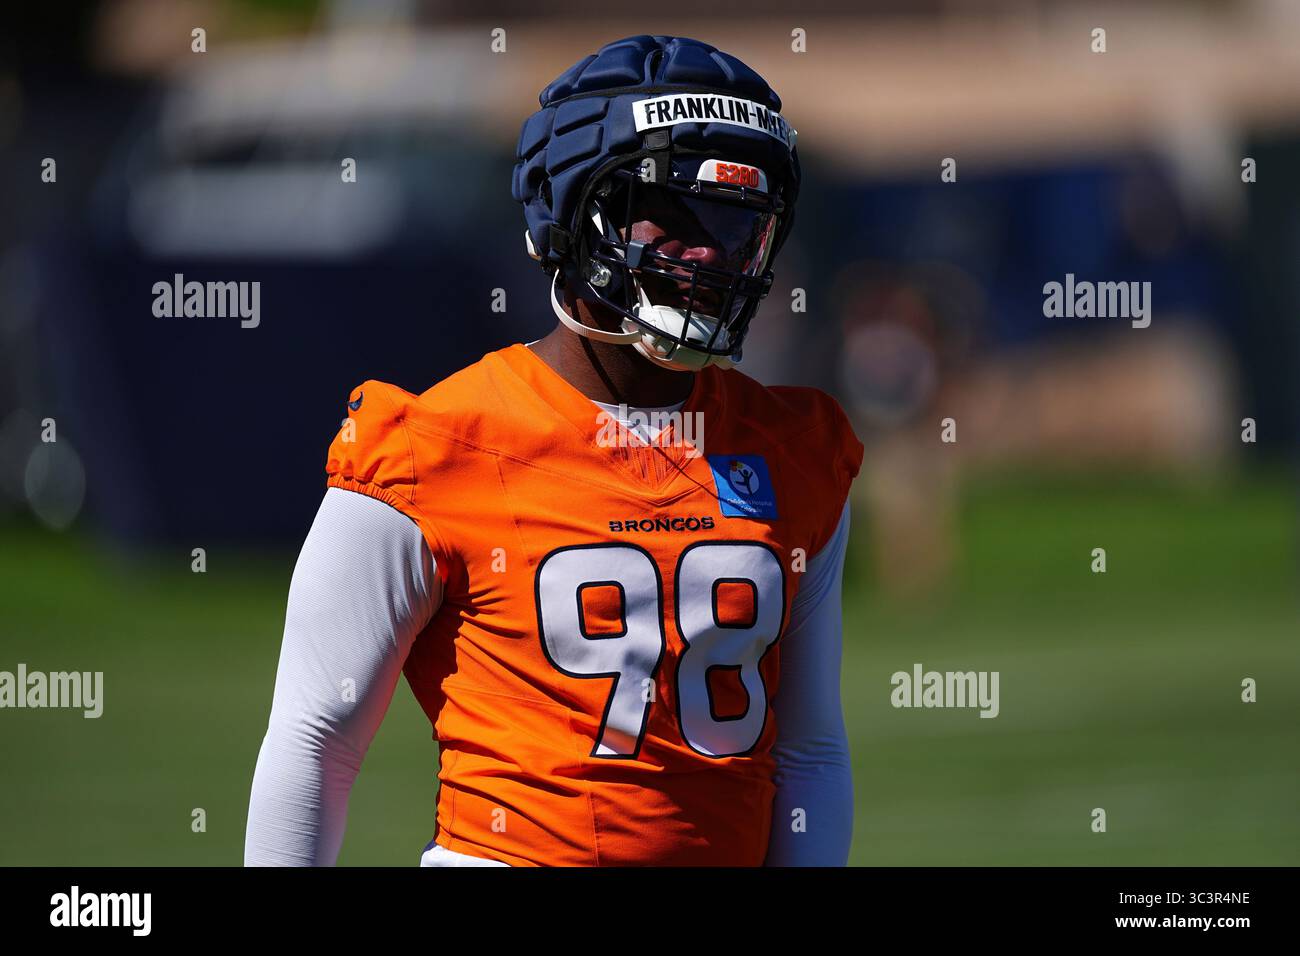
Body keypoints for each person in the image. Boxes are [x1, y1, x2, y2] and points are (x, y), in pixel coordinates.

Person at [244, 34, 862, 867]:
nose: (710, 251)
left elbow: (809, 752)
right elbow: (317, 741)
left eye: (734, 220)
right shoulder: (432, 444)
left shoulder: (794, 452)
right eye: (673, 215)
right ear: (572, 214)